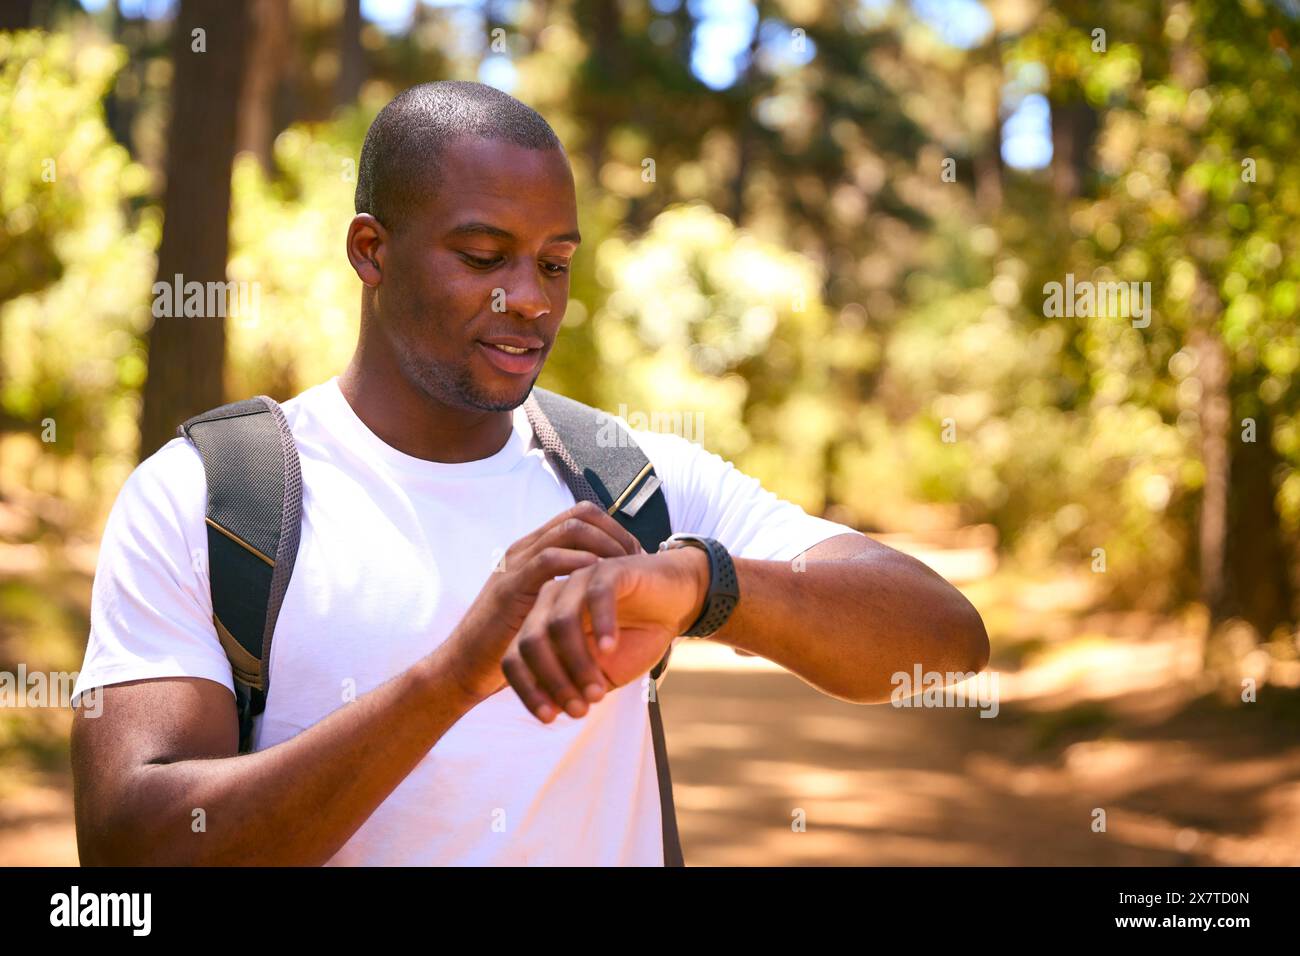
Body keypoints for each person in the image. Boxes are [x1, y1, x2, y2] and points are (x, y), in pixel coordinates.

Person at [69, 80, 988, 866]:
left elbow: (943, 643)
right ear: (371, 251)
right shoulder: (210, 497)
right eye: (484, 258)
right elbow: (130, 845)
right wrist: (451, 678)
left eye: (555, 263)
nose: (532, 300)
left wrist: (702, 584)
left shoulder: (626, 482)